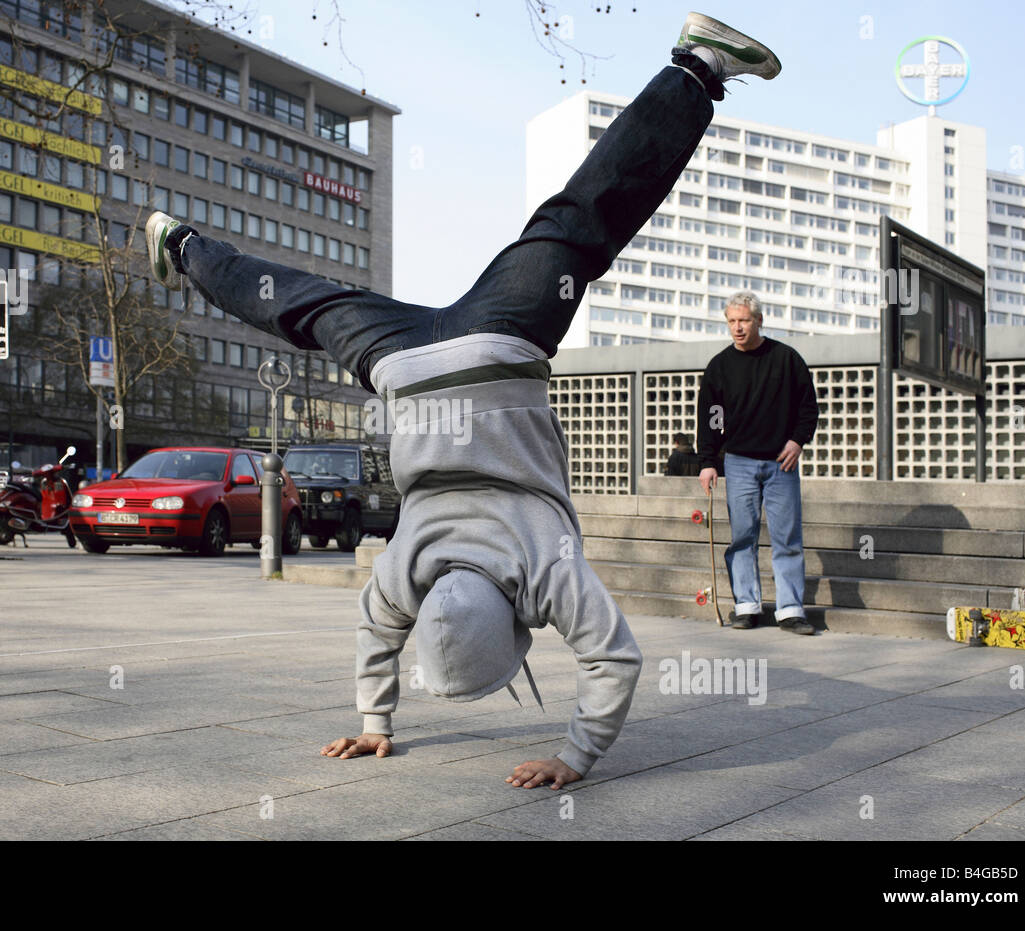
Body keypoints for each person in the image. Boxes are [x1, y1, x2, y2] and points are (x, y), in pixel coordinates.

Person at [148, 12, 781, 788]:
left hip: (504, 341)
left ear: (520, 632)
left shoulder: (543, 569)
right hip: (400, 366)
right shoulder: (404, 570)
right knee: (296, 305)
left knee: (580, 221)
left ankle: (700, 67)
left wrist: (575, 756)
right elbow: (377, 629)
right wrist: (373, 718)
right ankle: (182, 245)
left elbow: (615, 656)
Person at [695, 291, 819, 635]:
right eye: (732, 321)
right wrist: (708, 462)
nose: (737, 328)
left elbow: (808, 407)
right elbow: (711, 419)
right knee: (742, 537)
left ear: (758, 321)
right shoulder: (719, 367)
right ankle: (746, 606)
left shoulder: (786, 359)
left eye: (744, 321)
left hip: (782, 464)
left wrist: (797, 441)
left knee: (787, 538)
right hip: (738, 463)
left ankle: (791, 610)